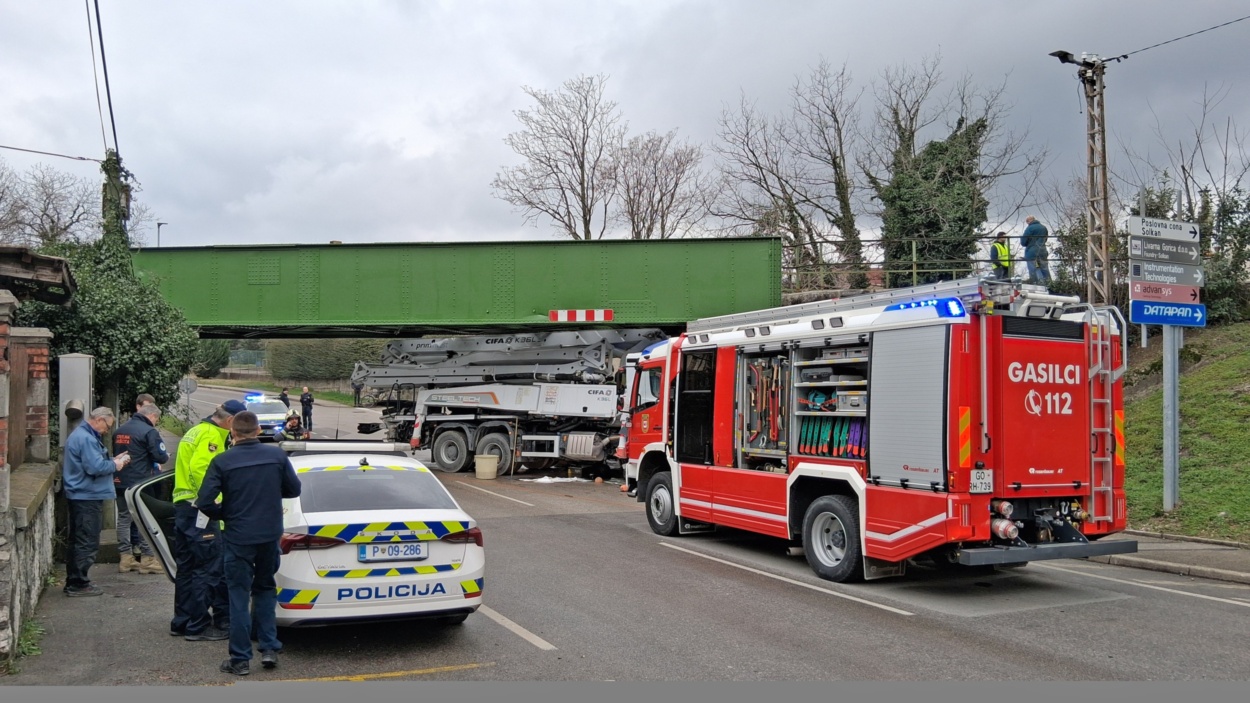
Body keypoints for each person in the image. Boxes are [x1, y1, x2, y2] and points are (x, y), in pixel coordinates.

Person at [196, 411, 301, 676]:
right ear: (257, 431)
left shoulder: (222, 461)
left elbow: (205, 501)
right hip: (269, 535)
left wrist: (227, 513)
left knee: (239, 595)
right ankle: (268, 648)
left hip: (239, 537)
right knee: (265, 589)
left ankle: (240, 659)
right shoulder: (276, 456)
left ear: (233, 433)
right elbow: (294, 489)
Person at [169, 399, 246, 641]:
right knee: (207, 569)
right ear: (230, 420)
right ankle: (199, 625)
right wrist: (211, 502)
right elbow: (201, 469)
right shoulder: (212, 436)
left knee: (187, 568)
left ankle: (182, 621)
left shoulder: (196, 430)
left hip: (183, 508)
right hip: (200, 510)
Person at [62, 407, 131, 596]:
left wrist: (110, 459)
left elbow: (93, 462)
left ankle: (75, 581)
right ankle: (78, 584)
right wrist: (115, 464)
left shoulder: (83, 435)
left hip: (81, 495)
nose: (107, 430)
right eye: (107, 426)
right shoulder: (86, 438)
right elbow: (95, 467)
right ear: (99, 420)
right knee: (87, 541)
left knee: (78, 540)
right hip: (87, 496)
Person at [112, 403, 169, 575]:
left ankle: (126, 559)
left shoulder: (119, 430)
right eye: (156, 419)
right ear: (152, 416)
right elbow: (160, 456)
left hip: (120, 480)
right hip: (140, 483)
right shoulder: (149, 431)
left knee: (124, 519)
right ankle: (148, 559)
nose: (155, 422)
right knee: (144, 519)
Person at [1021, 215, 1051, 285]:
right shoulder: (1043, 228)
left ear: (1029, 221)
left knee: (1032, 270)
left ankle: (1035, 284)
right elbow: (1045, 239)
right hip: (1042, 250)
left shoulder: (1029, 228)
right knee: (1045, 269)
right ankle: (1049, 285)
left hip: (1031, 251)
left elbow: (1023, 241)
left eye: (1027, 222)